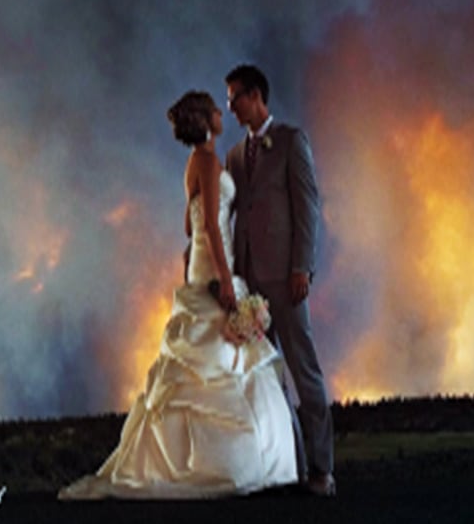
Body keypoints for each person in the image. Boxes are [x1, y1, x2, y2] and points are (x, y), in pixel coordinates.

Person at [59, 91, 297, 500]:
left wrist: (207, 247)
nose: (224, 113)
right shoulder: (205, 160)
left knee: (216, 359)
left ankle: (237, 461)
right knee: (216, 358)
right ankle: (229, 465)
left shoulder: (198, 162)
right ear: (206, 118)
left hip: (204, 260)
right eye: (216, 109)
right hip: (213, 263)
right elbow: (205, 226)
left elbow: (189, 227)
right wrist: (225, 277)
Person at [224, 64, 335, 497]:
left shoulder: (291, 141)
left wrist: (302, 268)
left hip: (285, 281)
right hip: (249, 285)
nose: (230, 106)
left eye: (235, 97)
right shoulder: (235, 156)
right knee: (268, 381)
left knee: (303, 370)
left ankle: (323, 470)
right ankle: (292, 466)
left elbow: (308, 208)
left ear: (255, 96)